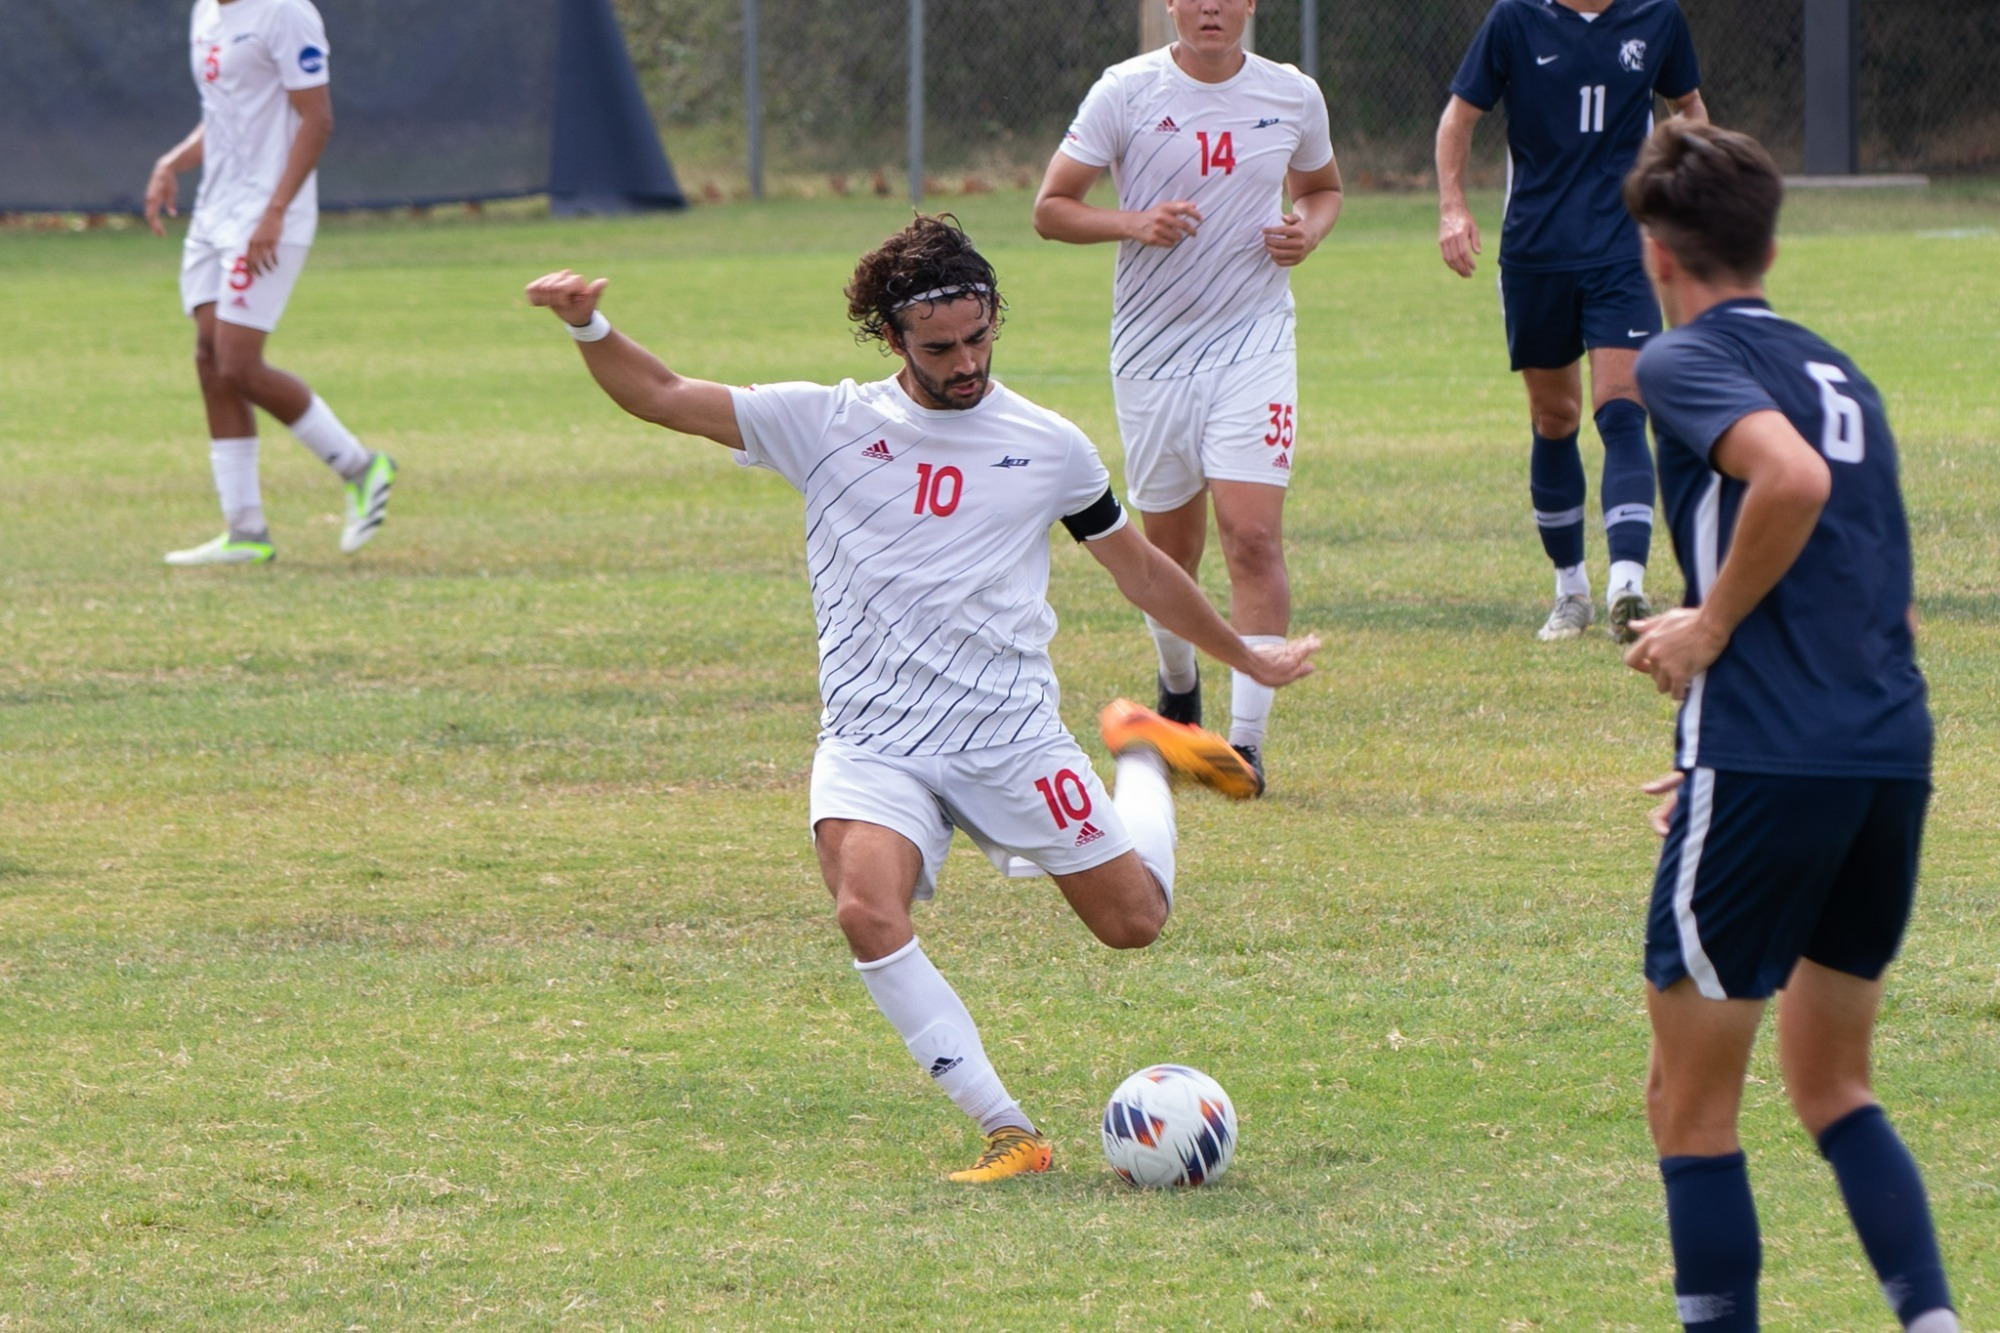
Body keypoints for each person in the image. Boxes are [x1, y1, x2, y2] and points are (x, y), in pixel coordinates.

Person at [525, 216, 1320, 1182]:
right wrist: (587, 328)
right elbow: (661, 395)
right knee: (867, 910)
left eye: (980, 337)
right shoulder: (824, 423)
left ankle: (1145, 752)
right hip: (873, 741)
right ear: (893, 338)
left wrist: (1243, 653)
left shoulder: (1049, 446)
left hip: (1009, 733)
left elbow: (1144, 573)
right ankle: (1009, 1130)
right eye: (940, 347)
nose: (966, 361)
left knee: (1134, 924)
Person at [1621, 123, 1957, 1333]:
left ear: (1657, 253)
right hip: (1881, 755)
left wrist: (1707, 638)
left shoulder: (1679, 361)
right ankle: (1931, 1319)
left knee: (1685, 1105)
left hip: (1769, 759)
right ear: (1766, 239)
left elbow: (1790, 484)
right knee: (1830, 1082)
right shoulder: (1837, 370)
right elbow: (1886, 592)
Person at [1032, 0, 1342, 793]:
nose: (1212, 7)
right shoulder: (1125, 91)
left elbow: (1322, 188)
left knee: (1252, 539)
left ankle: (1243, 747)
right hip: (1153, 354)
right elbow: (1052, 208)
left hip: (1256, 343)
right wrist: (1132, 222)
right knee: (1169, 550)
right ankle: (1178, 689)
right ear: (1170, 5)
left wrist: (1307, 231)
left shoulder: (1293, 93)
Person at [1436, 0, 1705, 641]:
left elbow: (1688, 109)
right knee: (1554, 418)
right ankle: (1572, 590)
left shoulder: (1655, 18)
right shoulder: (1513, 21)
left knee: (1621, 410)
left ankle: (1628, 590)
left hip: (1624, 249)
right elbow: (1458, 118)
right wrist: (1452, 208)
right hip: (1537, 254)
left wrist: (1688, 188)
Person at [146, 0, 396, 567]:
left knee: (238, 361)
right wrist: (173, 160)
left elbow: (317, 117)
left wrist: (275, 210)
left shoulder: (284, 11)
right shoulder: (205, 14)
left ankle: (361, 467)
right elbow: (227, 111)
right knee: (210, 360)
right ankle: (245, 530)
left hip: (267, 216)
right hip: (215, 214)